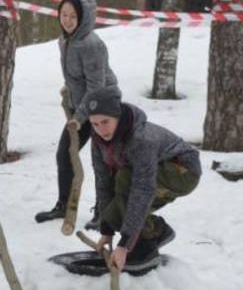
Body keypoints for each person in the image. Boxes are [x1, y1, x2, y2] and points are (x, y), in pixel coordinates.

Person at [83, 86, 200, 271]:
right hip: (144, 174)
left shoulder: (141, 140)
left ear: (117, 116)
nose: (100, 129)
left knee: (125, 180)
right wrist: (106, 229)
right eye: (95, 124)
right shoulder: (98, 140)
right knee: (118, 195)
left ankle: (145, 243)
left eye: (105, 121)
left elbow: (142, 190)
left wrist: (124, 244)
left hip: (183, 171)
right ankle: (156, 230)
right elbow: (103, 182)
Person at [34, 0, 119, 228]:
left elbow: (97, 87)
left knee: (101, 161)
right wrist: (71, 97)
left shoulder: (93, 45)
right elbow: (76, 77)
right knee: (65, 154)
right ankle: (63, 205)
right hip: (82, 107)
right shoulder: (65, 40)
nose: (68, 20)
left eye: (73, 16)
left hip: (104, 108)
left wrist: (80, 117)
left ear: (84, 18)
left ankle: (104, 211)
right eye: (64, 14)